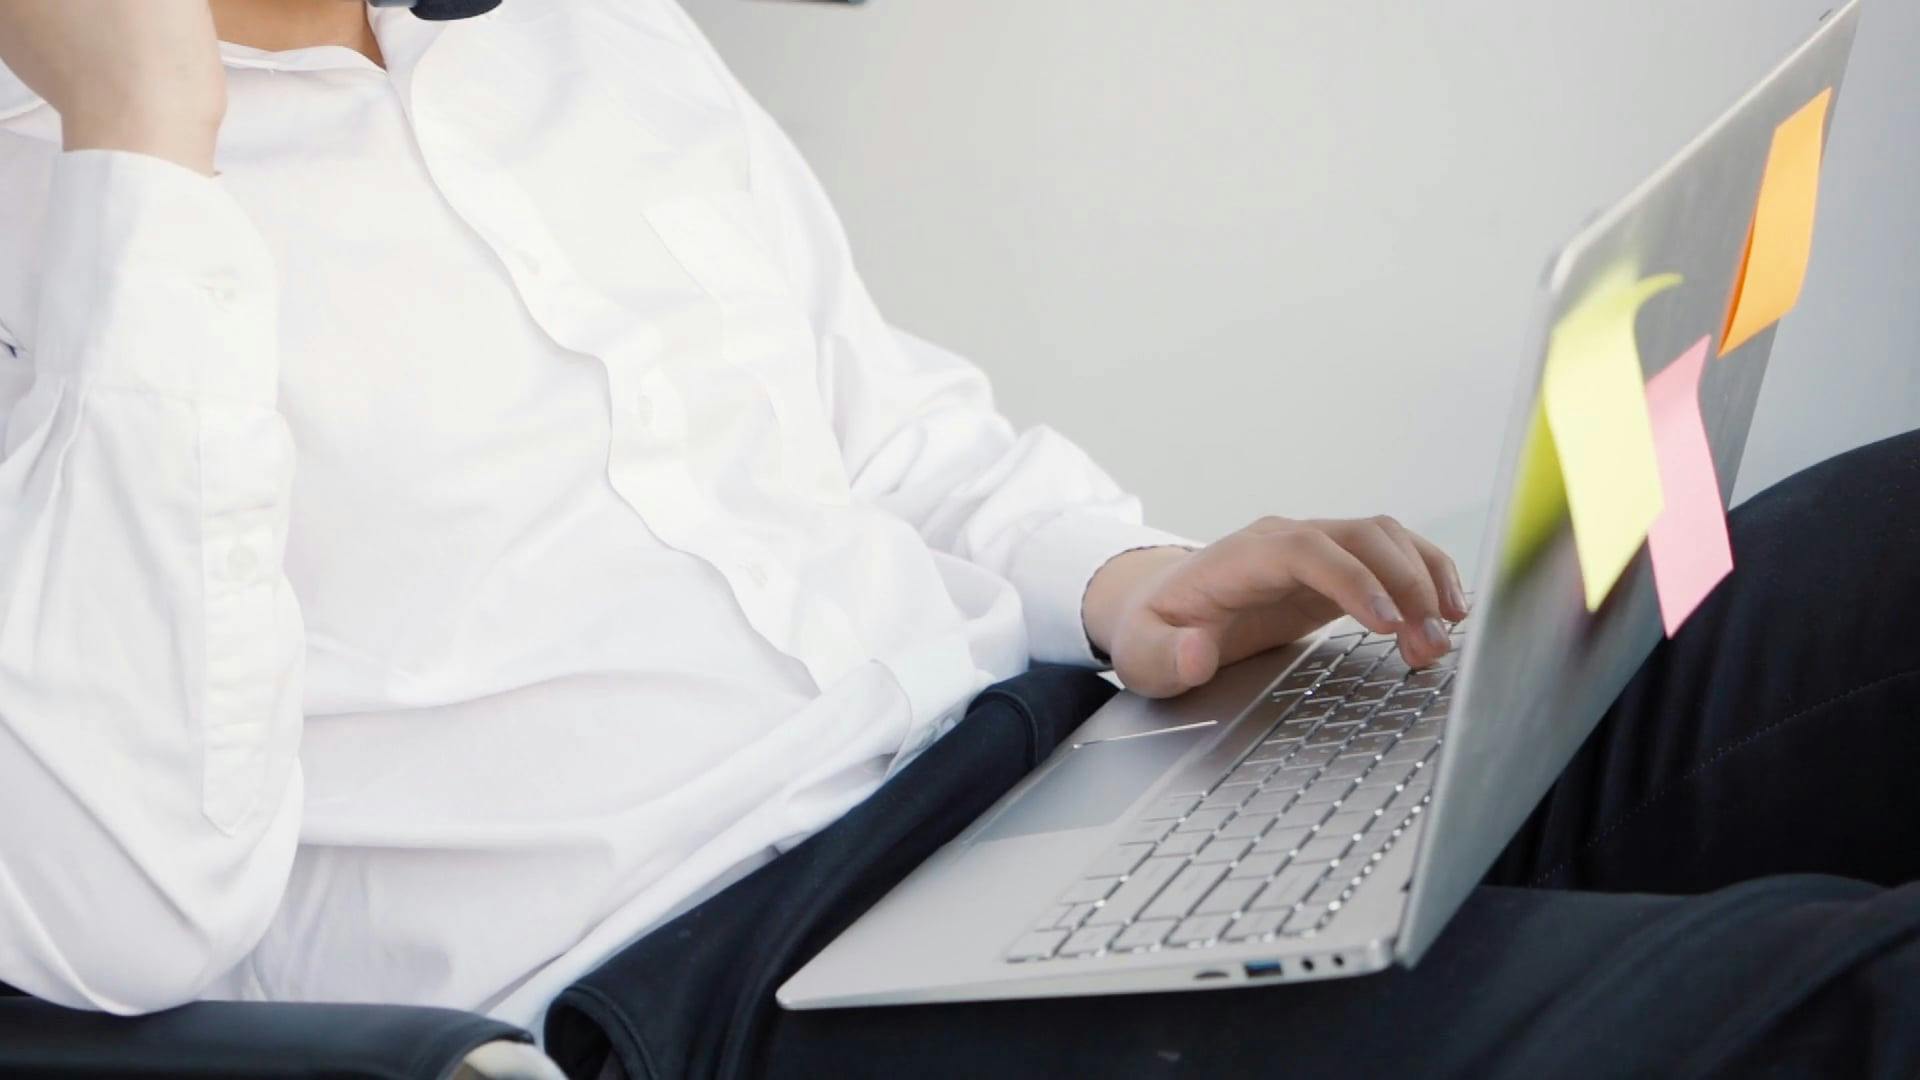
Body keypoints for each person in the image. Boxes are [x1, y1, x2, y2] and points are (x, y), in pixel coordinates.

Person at [0, 3, 1914, 1078]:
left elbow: (887, 427)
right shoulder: (72, 223)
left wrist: (1121, 578)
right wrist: (141, 145)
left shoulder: (575, 37)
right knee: (1833, 1008)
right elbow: (113, 915)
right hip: (758, 987)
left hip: (1081, 770)